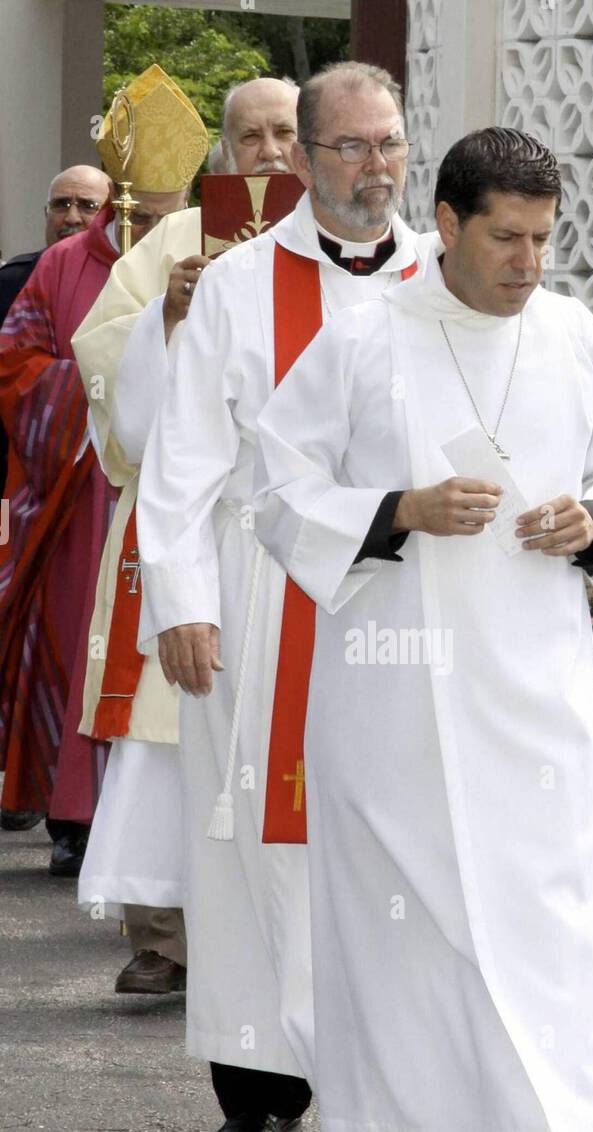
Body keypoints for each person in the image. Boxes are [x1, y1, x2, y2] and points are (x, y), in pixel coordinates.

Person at [252, 128, 593, 1132]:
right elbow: (276, 483)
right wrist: (398, 509)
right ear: (444, 222)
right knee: (401, 943)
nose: (529, 260)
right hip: (393, 704)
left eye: (543, 236)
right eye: (506, 236)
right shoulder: (364, 335)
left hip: (533, 704)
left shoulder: (574, 335)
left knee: (546, 933)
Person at [136, 62, 436, 1132]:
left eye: (389, 143)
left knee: (403, 844)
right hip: (261, 602)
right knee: (257, 836)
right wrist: (181, 599)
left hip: (409, 603)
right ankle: (263, 1079)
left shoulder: (445, 280)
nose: (374, 167)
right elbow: (181, 459)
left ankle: (415, 1096)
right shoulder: (238, 285)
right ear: (302, 159)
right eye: (350, 147)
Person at [72, 77, 297, 995]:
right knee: (172, 723)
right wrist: (167, 318)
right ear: (220, 153)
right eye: (252, 136)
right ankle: (164, 932)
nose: (271, 152)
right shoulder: (173, 241)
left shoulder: (349, 251)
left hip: (291, 524)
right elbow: (105, 372)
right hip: (190, 518)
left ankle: (286, 925)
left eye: (287, 132)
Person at [0, 66, 201, 880]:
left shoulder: (204, 249)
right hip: (82, 494)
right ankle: (73, 815)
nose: (140, 221)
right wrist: (93, 399)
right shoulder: (60, 266)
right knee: (74, 642)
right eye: (132, 205)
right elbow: (18, 359)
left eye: (159, 210)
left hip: (174, 483)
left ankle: (153, 831)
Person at [0, 167, 112, 578]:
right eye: (61, 205)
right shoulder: (11, 281)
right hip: (15, 474)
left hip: (97, 483)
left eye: (87, 205)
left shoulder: (128, 278)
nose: (72, 216)